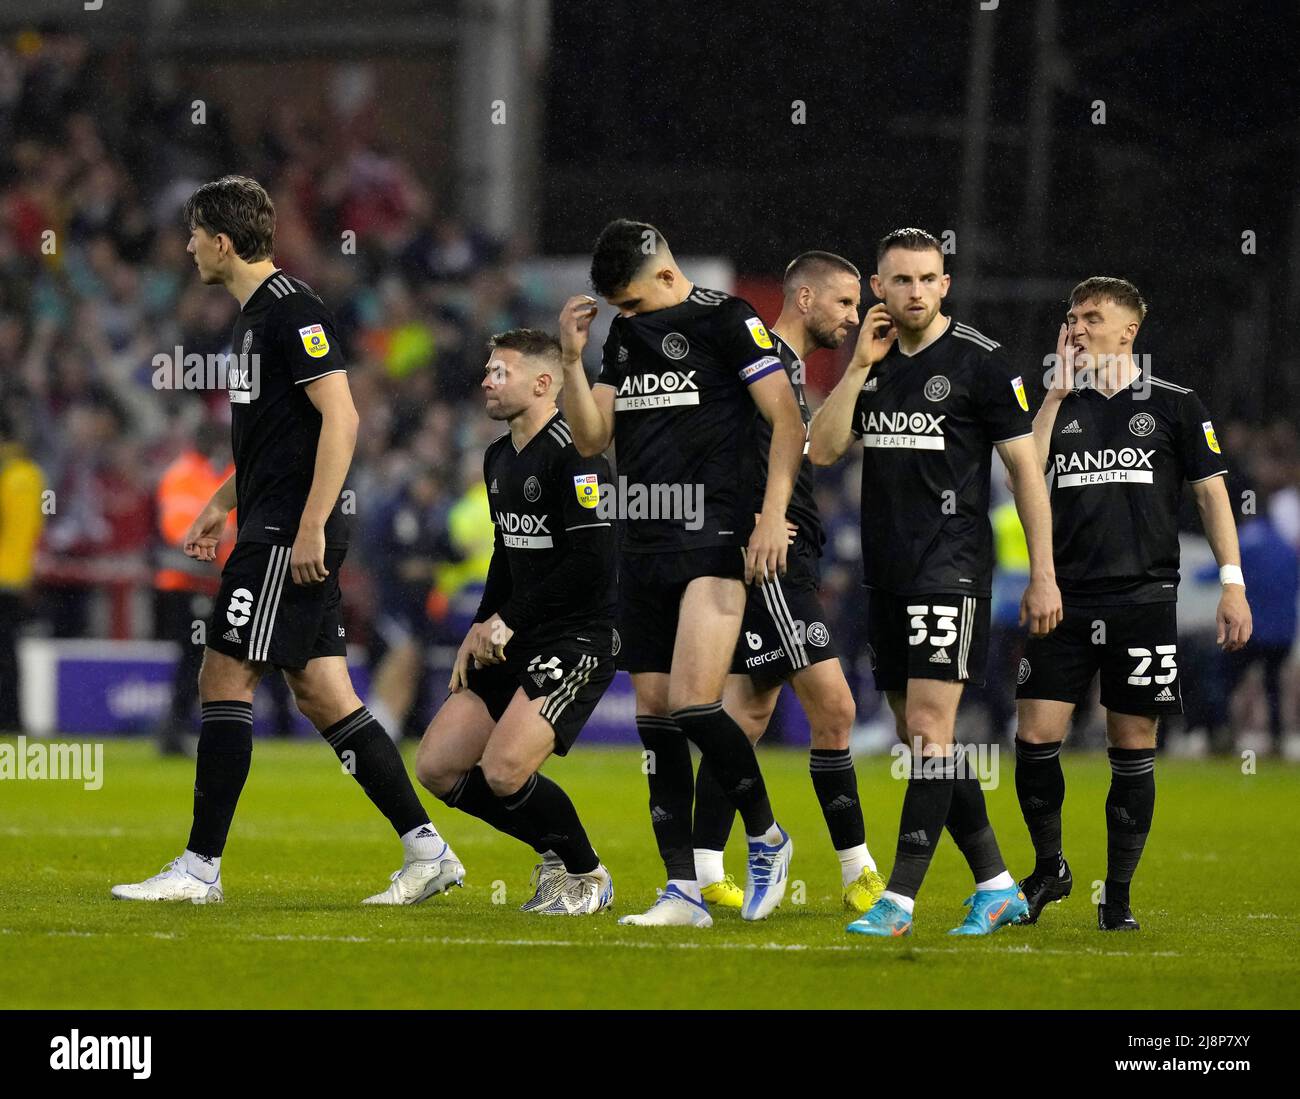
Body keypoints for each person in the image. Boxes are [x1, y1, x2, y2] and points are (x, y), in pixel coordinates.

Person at [113, 175, 459, 905]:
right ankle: (427, 850)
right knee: (324, 693)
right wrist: (219, 500)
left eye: (194, 234)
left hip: (289, 528)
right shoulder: (252, 320)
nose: (185, 247)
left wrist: (306, 525)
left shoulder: (291, 309)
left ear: (223, 241)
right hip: (272, 514)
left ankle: (200, 867)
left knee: (223, 676)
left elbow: (343, 417)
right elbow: (279, 440)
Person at [809, 227, 1062, 937]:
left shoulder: (983, 363)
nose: (915, 292)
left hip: (950, 568)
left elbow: (1025, 474)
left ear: (945, 283)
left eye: (928, 278)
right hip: (885, 575)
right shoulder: (873, 361)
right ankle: (997, 883)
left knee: (927, 729)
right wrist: (857, 365)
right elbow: (822, 449)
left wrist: (1043, 573)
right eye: (902, 280)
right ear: (878, 287)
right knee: (922, 737)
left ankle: (899, 898)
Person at [559, 219, 805, 926]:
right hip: (640, 542)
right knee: (655, 719)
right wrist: (572, 361)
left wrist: (769, 514)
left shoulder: (731, 321)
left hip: (714, 534)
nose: (627, 319)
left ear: (667, 277)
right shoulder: (626, 338)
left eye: (632, 304)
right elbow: (589, 437)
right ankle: (683, 893)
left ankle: (766, 837)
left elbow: (787, 420)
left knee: (698, 705)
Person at [1013, 277, 1253, 930]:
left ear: (1129, 329)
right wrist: (1055, 394)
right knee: (1034, 738)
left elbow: (1210, 495)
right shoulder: (1052, 402)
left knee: (1131, 742)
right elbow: (1024, 479)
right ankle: (1049, 867)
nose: (1079, 327)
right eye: (1072, 316)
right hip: (1062, 595)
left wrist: (1232, 580)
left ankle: (1116, 897)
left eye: (1093, 316)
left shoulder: (1175, 404)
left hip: (1143, 598)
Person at [689, 251, 885, 913]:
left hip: (789, 552)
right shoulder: (760, 361)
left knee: (745, 713)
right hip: (773, 556)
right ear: (805, 299)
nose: (852, 317)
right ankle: (857, 868)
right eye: (844, 304)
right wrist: (761, 518)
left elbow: (813, 449)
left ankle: (704, 867)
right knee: (835, 709)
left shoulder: (790, 368)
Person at [415, 329, 617, 915]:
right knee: (438, 766)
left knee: (504, 770)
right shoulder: (497, 457)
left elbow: (592, 564)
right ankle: (555, 854)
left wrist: (507, 618)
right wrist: (478, 629)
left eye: (500, 372)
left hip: (579, 635)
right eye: (487, 370)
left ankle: (587, 875)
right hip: (515, 632)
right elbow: (507, 556)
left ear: (544, 383)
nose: (486, 381)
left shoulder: (578, 452)